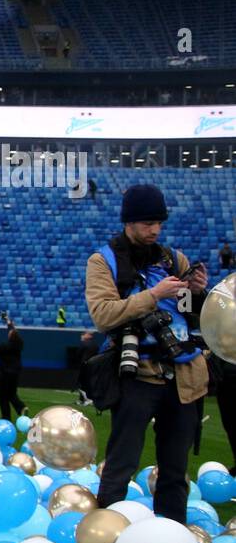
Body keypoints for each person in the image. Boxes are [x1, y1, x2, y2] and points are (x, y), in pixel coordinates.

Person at [85, 184, 208, 524]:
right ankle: (105, 534)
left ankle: (170, 537)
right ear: (128, 222)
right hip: (136, 372)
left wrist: (197, 294)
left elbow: (189, 313)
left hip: (182, 376)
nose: (154, 230)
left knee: (175, 469)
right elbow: (103, 314)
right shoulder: (102, 261)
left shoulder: (173, 258)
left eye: (159, 223)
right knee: (121, 464)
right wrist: (154, 294)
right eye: (146, 223)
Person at [0, 322, 27, 421]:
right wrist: (9, 324)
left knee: (3, 396)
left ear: (11, 336)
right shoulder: (19, 345)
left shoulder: (4, 346)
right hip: (16, 373)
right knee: (12, 393)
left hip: (6, 373)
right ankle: (21, 407)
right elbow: (13, 332)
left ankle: (6, 417)